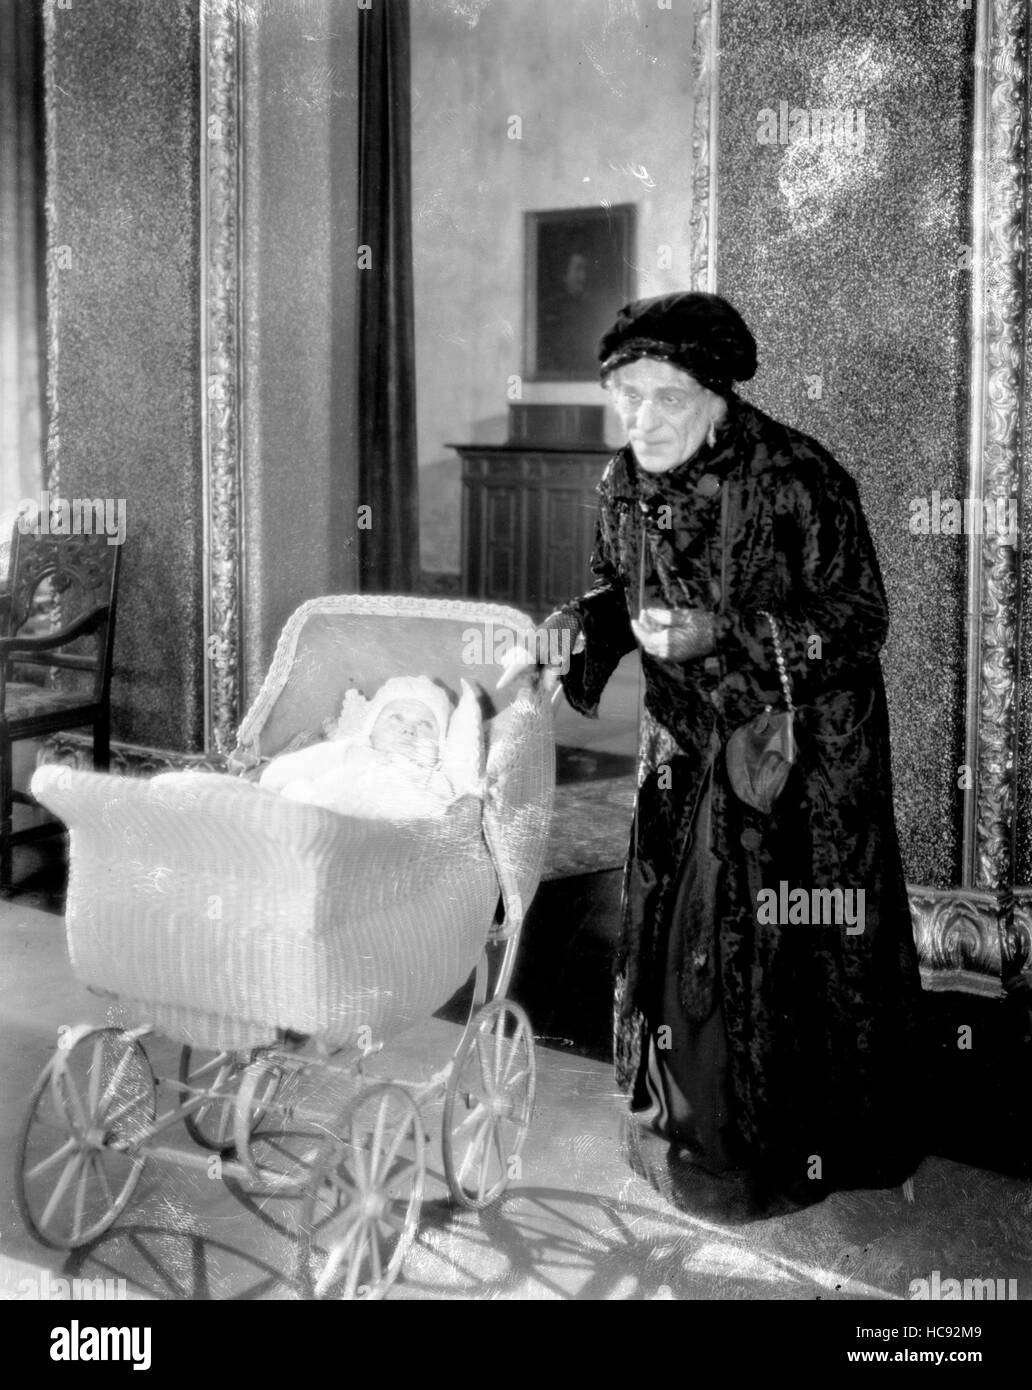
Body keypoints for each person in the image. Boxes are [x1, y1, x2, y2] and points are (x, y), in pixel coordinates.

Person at [520, 291, 924, 1210]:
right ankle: (697, 1124)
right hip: (685, 745)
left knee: (779, 940)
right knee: (687, 935)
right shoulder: (624, 481)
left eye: (665, 398)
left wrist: (727, 631)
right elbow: (615, 595)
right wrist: (572, 630)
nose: (642, 419)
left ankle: (792, 1149)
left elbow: (860, 623)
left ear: (715, 394)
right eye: (627, 397)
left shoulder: (799, 476)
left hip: (798, 758)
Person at [259, 674, 480, 820]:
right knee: (298, 791)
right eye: (396, 718)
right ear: (371, 729)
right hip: (322, 815)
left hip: (385, 835)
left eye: (425, 725)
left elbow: (463, 769)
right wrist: (344, 756)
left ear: (440, 747)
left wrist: (469, 711)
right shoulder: (349, 751)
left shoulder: (436, 780)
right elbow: (272, 777)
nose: (409, 730)